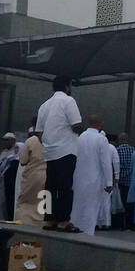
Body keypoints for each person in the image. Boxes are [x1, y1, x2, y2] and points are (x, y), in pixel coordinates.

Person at [35, 75, 84, 232]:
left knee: (49, 186)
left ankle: (48, 219)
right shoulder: (68, 101)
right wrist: (81, 131)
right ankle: (63, 221)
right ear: (67, 86)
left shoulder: (44, 105)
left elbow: (38, 132)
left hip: (50, 151)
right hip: (66, 150)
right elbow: (76, 125)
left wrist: (49, 143)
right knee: (65, 187)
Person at [71, 116, 113, 235]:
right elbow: (105, 162)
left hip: (78, 178)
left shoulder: (80, 137)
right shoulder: (101, 139)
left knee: (77, 206)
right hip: (94, 179)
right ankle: (88, 233)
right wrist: (109, 182)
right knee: (91, 207)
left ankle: (75, 228)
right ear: (101, 123)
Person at [13, 126, 47, 225]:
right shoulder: (53, 140)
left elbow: (23, 161)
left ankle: (23, 224)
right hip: (49, 178)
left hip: (32, 177)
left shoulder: (31, 140)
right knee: (45, 203)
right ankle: (43, 224)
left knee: (26, 202)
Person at [0, 133, 20, 222]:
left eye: (7, 140)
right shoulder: (4, 152)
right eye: (4, 140)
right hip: (1, 181)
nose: (5, 142)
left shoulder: (16, 152)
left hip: (11, 182)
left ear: (13, 140)